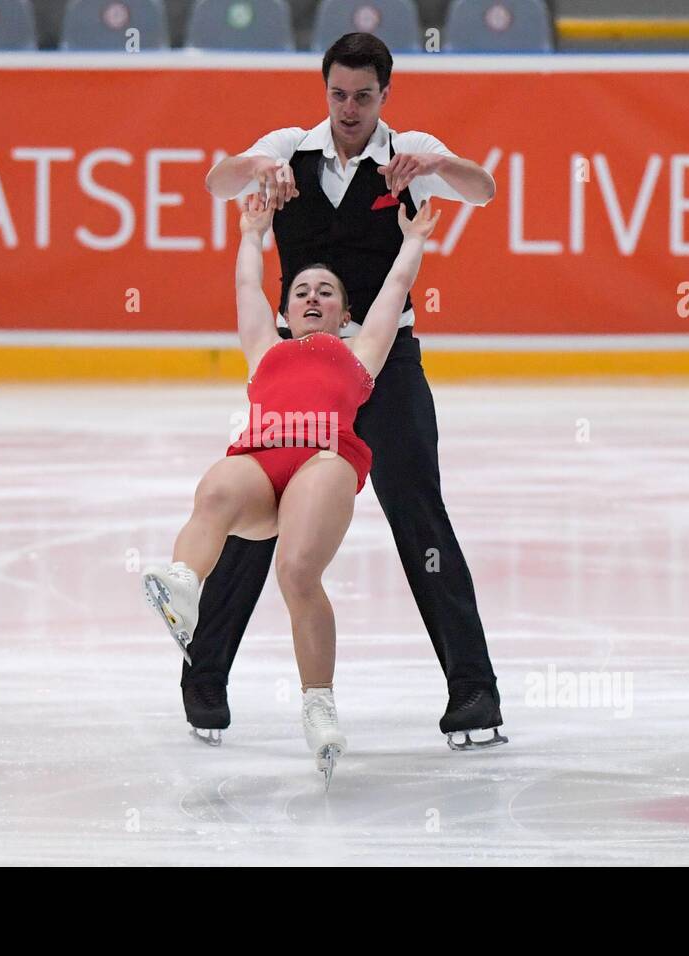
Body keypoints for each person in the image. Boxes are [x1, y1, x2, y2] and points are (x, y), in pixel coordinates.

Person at [190, 32, 505, 751]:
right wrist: (255, 163)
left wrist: (440, 162)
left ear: (384, 95)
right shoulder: (288, 146)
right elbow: (217, 182)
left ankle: (474, 692)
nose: (350, 109)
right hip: (299, 370)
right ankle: (204, 679)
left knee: (419, 512)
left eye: (364, 96)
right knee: (258, 511)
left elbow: (483, 190)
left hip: (383, 361)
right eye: (338, 94)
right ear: (325, 90)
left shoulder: (407, 152)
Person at [143, 191, 443, 787]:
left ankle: (318, 705)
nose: (312, 297)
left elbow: (392, 297)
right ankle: (183, 584)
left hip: (323, 464)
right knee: (216, 489)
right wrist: (252, 234)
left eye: (325, 293)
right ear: (287, 309)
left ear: (342, 313)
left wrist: (412, 242)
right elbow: (246, 291)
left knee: (296, 572)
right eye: (302, 291)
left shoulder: (360, 353)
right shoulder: (266, 350)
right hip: (261, 463)